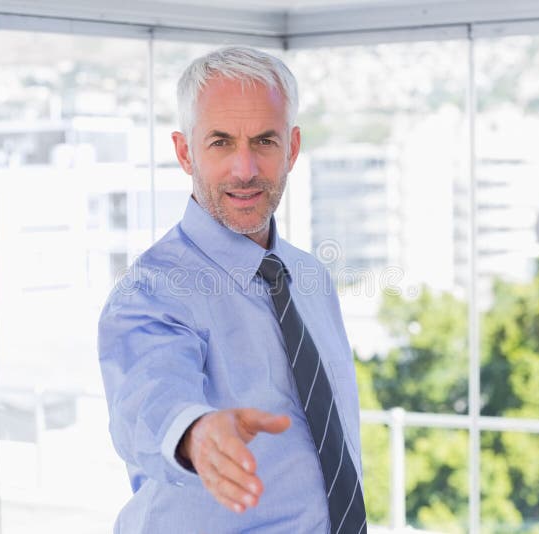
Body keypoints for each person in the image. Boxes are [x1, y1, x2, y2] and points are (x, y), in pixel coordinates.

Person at [98, 46, 366, 533]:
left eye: (264, 141)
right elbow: (147, 399)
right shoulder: (152, 291)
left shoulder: (309, 278)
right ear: (185, 152)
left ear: (293, 147)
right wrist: (194, 434)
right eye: (220, 142)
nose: (245, 169)